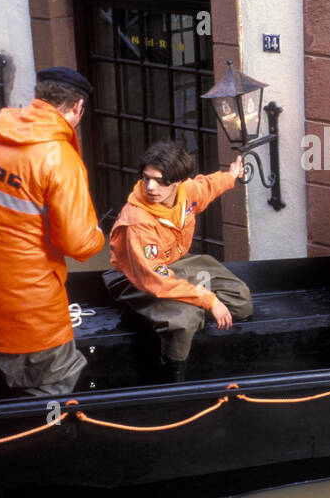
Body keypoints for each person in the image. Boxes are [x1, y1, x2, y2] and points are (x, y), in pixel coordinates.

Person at [0, 66, 105, 396]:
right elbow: (79, 244)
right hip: (30, 318)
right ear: (77, 107)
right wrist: (98, 232)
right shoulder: (58, 158)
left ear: (38, 95)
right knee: (52, 389)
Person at [103, 141, 252, 381]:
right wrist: (207, 299)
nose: (151, 186)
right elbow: (152, 277)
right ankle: (171, 377)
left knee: (241, 300)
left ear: (178, 182)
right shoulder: (137, 220)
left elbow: (207, 186)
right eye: (146, 178)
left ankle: (163, 315)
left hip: (177, 264)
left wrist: (231, 175)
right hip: (137, 277)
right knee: (184, 320)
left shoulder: (186, 192)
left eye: (160, 181)